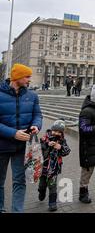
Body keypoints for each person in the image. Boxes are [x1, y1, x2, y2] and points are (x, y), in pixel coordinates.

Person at [0, 63, 42, 213]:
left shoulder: (32, 96)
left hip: (21, 147)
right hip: (2, 146)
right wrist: (13, 133)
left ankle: (17, 211)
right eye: (27, 76)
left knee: (19, 181)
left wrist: (36, 125)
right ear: (17, 77)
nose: (29, 80)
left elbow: (37, 115)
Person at [38, 120, 71, 212]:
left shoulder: (62, 141)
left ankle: (52, 203)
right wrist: (47, 145)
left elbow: (67, 151)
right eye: (55, 131)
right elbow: (38, 147)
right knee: (42, 184)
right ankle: (41, 192)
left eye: (59, 132)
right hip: (43, 167)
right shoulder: (45, 138)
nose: (56, 133)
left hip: (54, 168)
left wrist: (60, 147)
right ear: (51, 129)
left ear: (61, 133)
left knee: (52, 186)